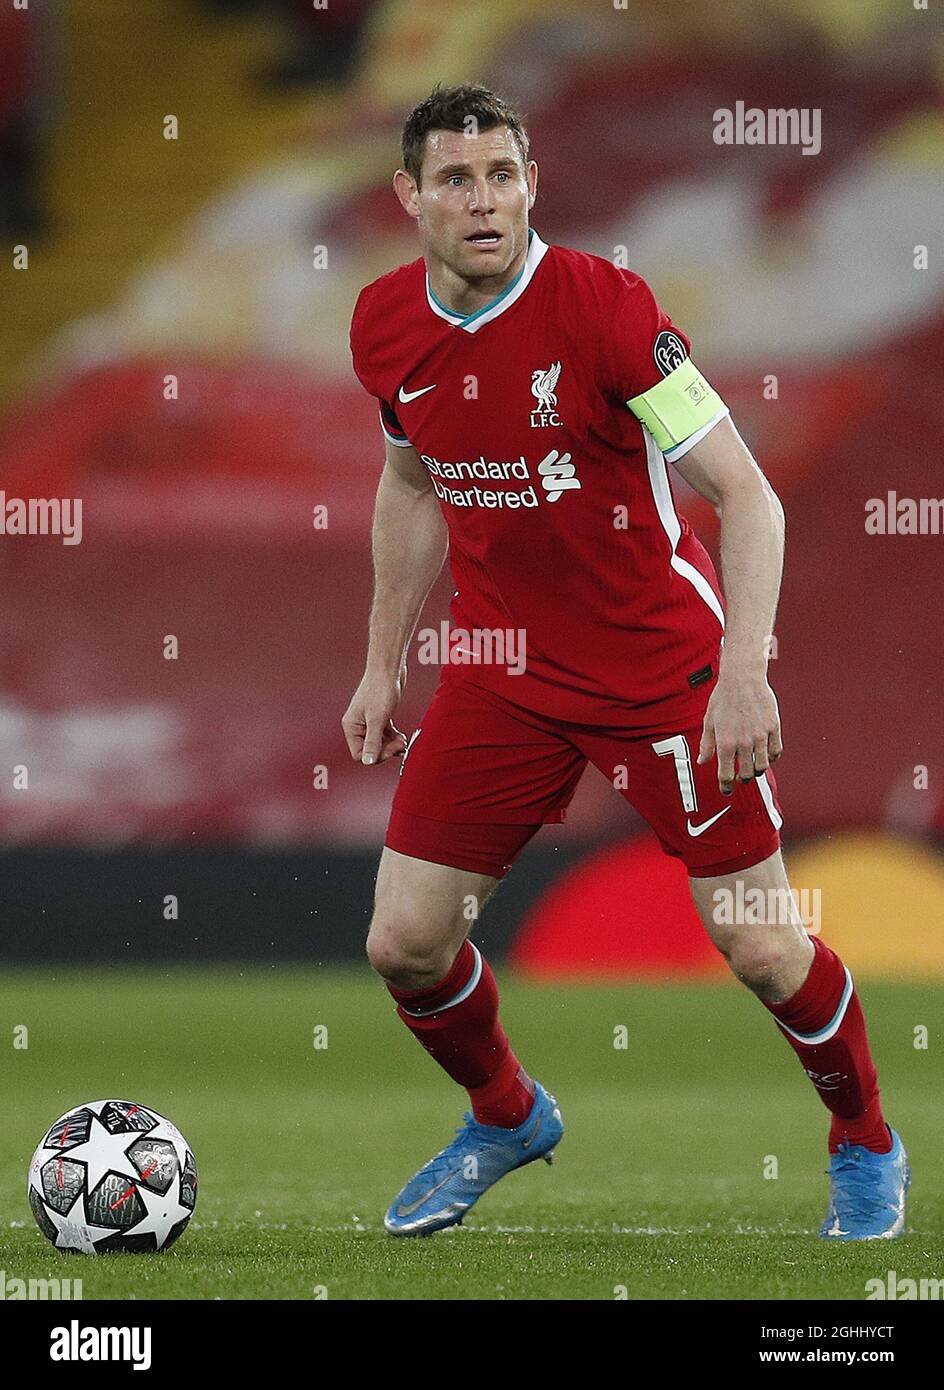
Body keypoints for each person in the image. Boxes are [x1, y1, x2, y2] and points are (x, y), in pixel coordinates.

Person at [344, 83, 908, 1240]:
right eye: (456, 179)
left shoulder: (605, 308)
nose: (484, 201)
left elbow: (746, 495)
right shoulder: (381, 327)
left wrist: (744, 671)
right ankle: (504, 1114)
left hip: (659, 666)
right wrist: (378, 662)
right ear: (409, 197)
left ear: (532, 182)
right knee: (403, 943)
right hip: (502, 669)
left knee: (758, 945)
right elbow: (408, 486)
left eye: (502, 175)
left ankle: (864, 1141)